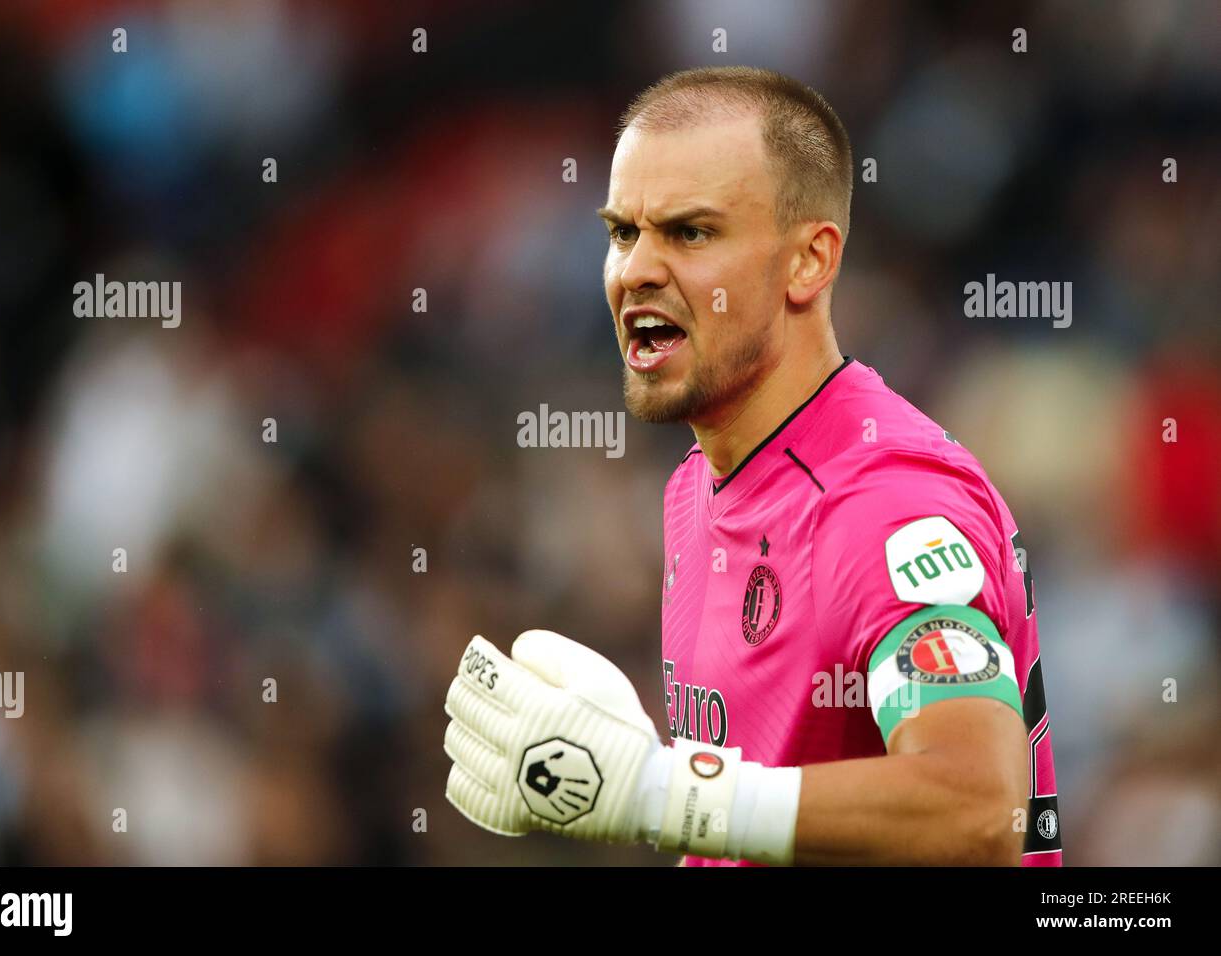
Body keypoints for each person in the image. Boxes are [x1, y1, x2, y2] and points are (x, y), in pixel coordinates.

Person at [443, 66, 1061, 866]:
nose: (635, 270)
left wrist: (659, 790)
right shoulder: (693, 489)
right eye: (623, 232)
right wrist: (655, 793)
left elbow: (980, 813)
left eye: (690, 232)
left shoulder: (884, 505)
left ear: (809, 261)